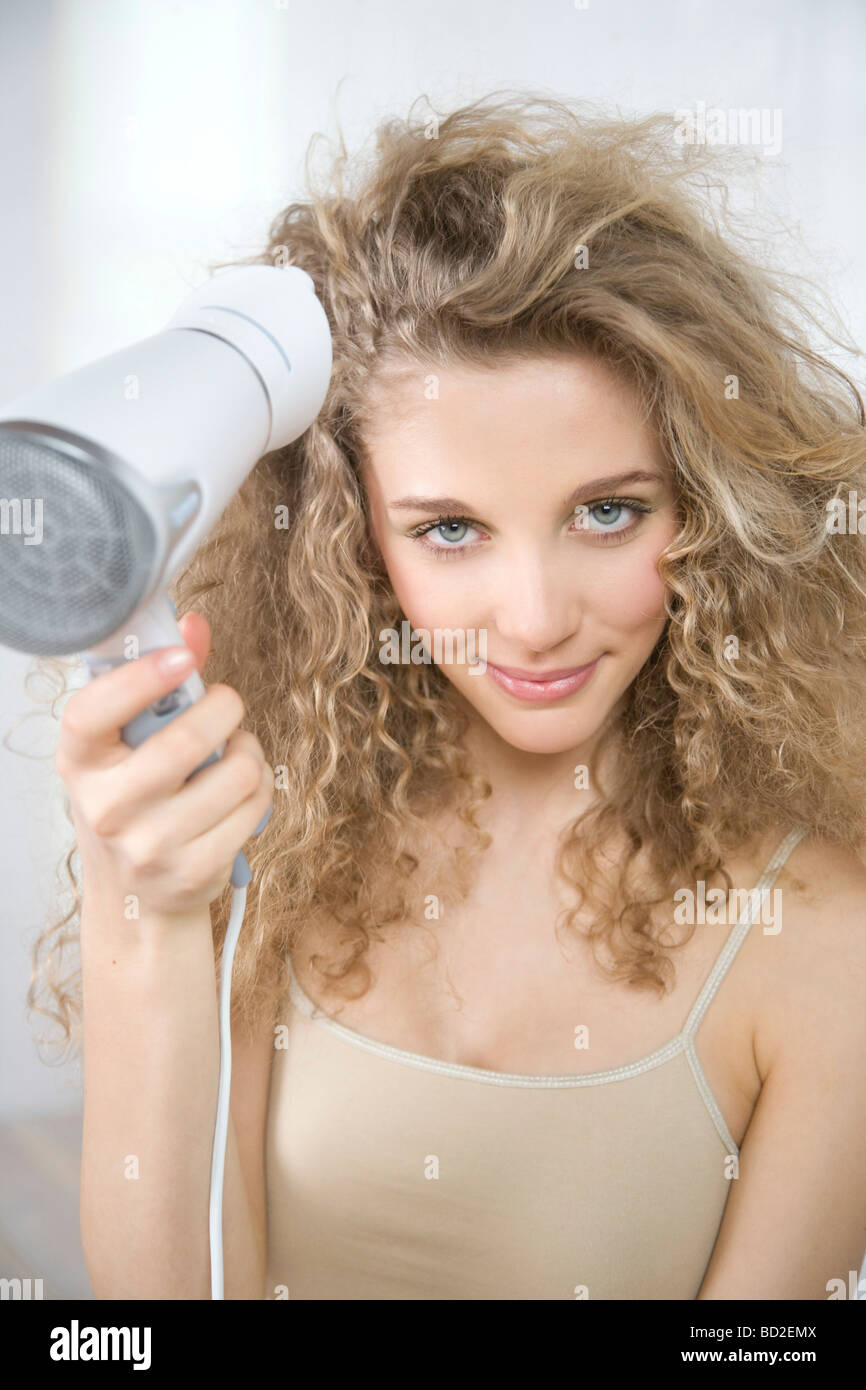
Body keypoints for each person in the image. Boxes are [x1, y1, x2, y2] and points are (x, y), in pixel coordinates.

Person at [35, 90, 866, 1300]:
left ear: (711, 503)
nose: (532, 617)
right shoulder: (261, 834)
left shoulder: (823, 941)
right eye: (451, 529)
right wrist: (141, 914)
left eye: (606, 511)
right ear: (353, 534)